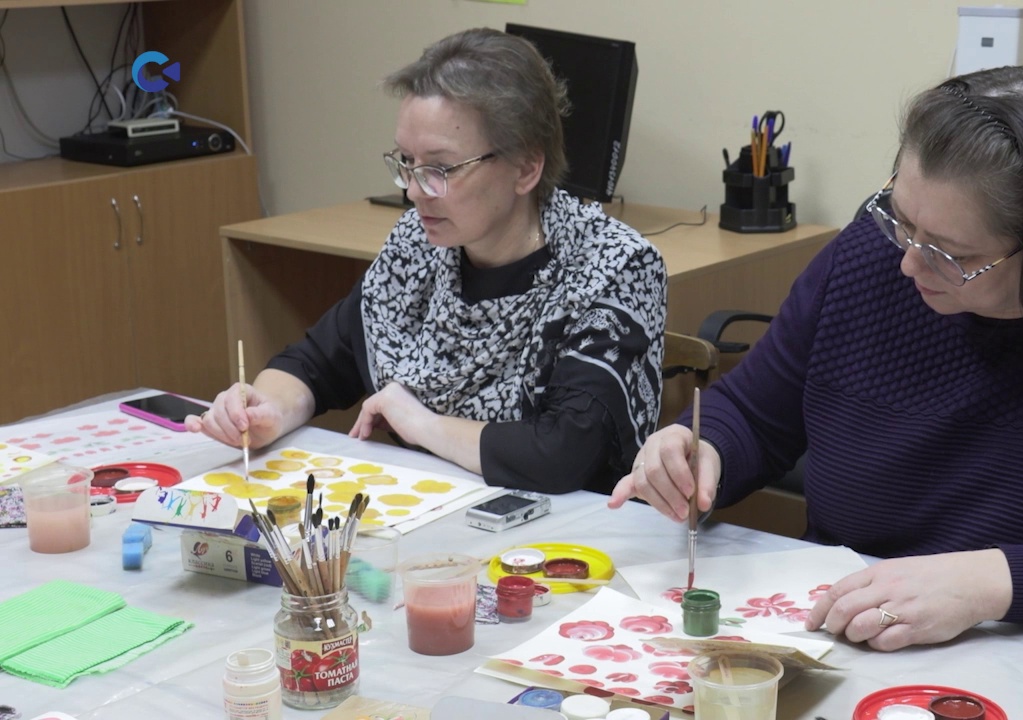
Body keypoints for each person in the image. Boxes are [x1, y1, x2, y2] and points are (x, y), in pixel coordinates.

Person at [609, 66, 1023, 650]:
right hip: (843, 634)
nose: (908, 262)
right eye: (900, 218)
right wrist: (701, 447)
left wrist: (990, 581)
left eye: (952, 253)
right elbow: (755, 411)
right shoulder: (869, 257)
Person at [190, 28, 666, 495]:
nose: (416, 191)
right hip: (437, 514)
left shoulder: (613, 267)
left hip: (566, 547)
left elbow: (560, 455)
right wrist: (264, 409)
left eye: (439, 169)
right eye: (406, 163)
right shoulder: (421, 246)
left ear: (525, 167)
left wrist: (422, 424)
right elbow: (313, 363)